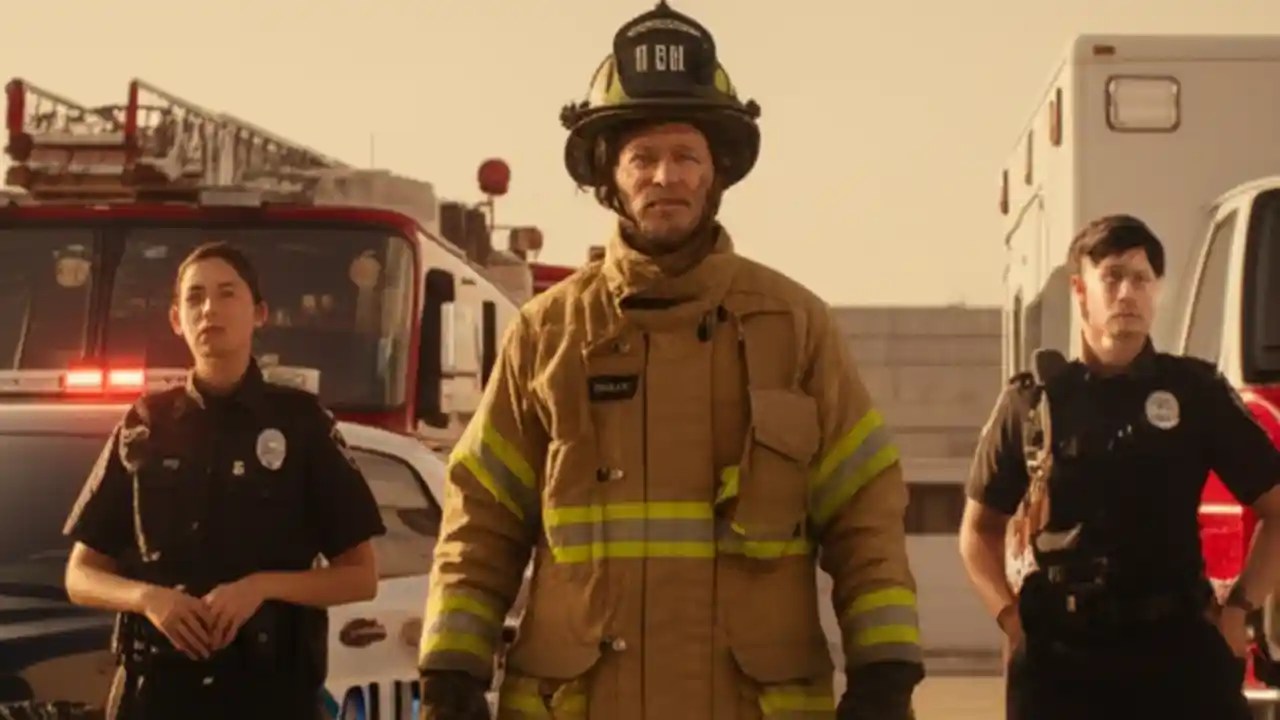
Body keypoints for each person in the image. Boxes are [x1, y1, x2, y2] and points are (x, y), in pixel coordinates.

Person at [415, 2, 924, 719]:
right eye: (643, 158)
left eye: (686, 156)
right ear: (609, 177)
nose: (666, 176)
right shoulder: (546, 333)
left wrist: (886, 671)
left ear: (716, 173)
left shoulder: (797, 327)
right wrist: (452, 673)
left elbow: (865, 507)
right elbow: (482, 518)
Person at [958, 214, 1280, 719]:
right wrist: (1011, 618)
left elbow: (1276, 508)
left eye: (1142, 278)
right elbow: (978, 531)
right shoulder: (1034, 403)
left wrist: (1240, 608)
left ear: (1157, 292)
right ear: (1080, 289)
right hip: (1062, 666)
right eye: (1112, 277)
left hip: (1177, 658)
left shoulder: (1194, 393)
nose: (1128, 293)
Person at [61, 241, 387, 719]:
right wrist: (149, 599)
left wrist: (261, 587)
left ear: (259, 313)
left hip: (268, 698)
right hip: (157, 697)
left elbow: (361, 576)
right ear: (176, 320)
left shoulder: (301, 424)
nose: (209, 309)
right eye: (194, 298)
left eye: (226, 294)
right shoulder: (145, 425)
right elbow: (79, 575)